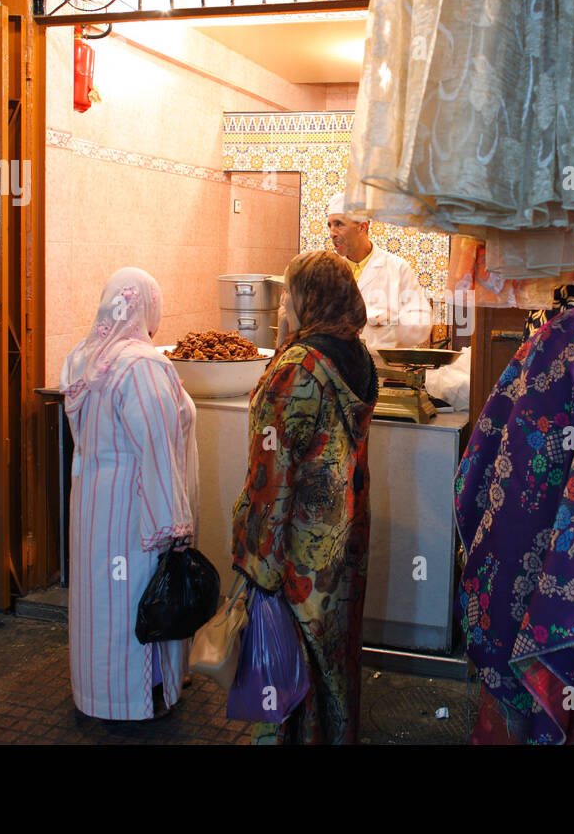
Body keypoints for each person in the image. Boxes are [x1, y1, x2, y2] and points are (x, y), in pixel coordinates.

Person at [232, 250, 379, 744]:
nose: (282, 307)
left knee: (289, 657)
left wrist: (257, 556)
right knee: (333, 651)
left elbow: (271, 473)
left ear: (307, 299)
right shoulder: (356, 355)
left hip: (295, 543)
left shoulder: (298, 367)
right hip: (344, 530)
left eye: (288, 297)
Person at [59, 267, 198, 722]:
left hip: (94, 508)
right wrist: (173, 527)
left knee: (100, 606)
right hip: (136, 515)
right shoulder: (142, 365)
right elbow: (156, 450)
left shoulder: (83, 356)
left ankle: (96, 694)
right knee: (139, 606)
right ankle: (138, 700)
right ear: (148, 308)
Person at [325, 192, 432, 350]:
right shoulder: (327, 270)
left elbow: (422, 324)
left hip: (384, 369)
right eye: (330, 225)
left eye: (339, 224)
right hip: (337, 367)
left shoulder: (397, 268)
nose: (332, 233)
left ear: (362, 226)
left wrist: (393, 321)